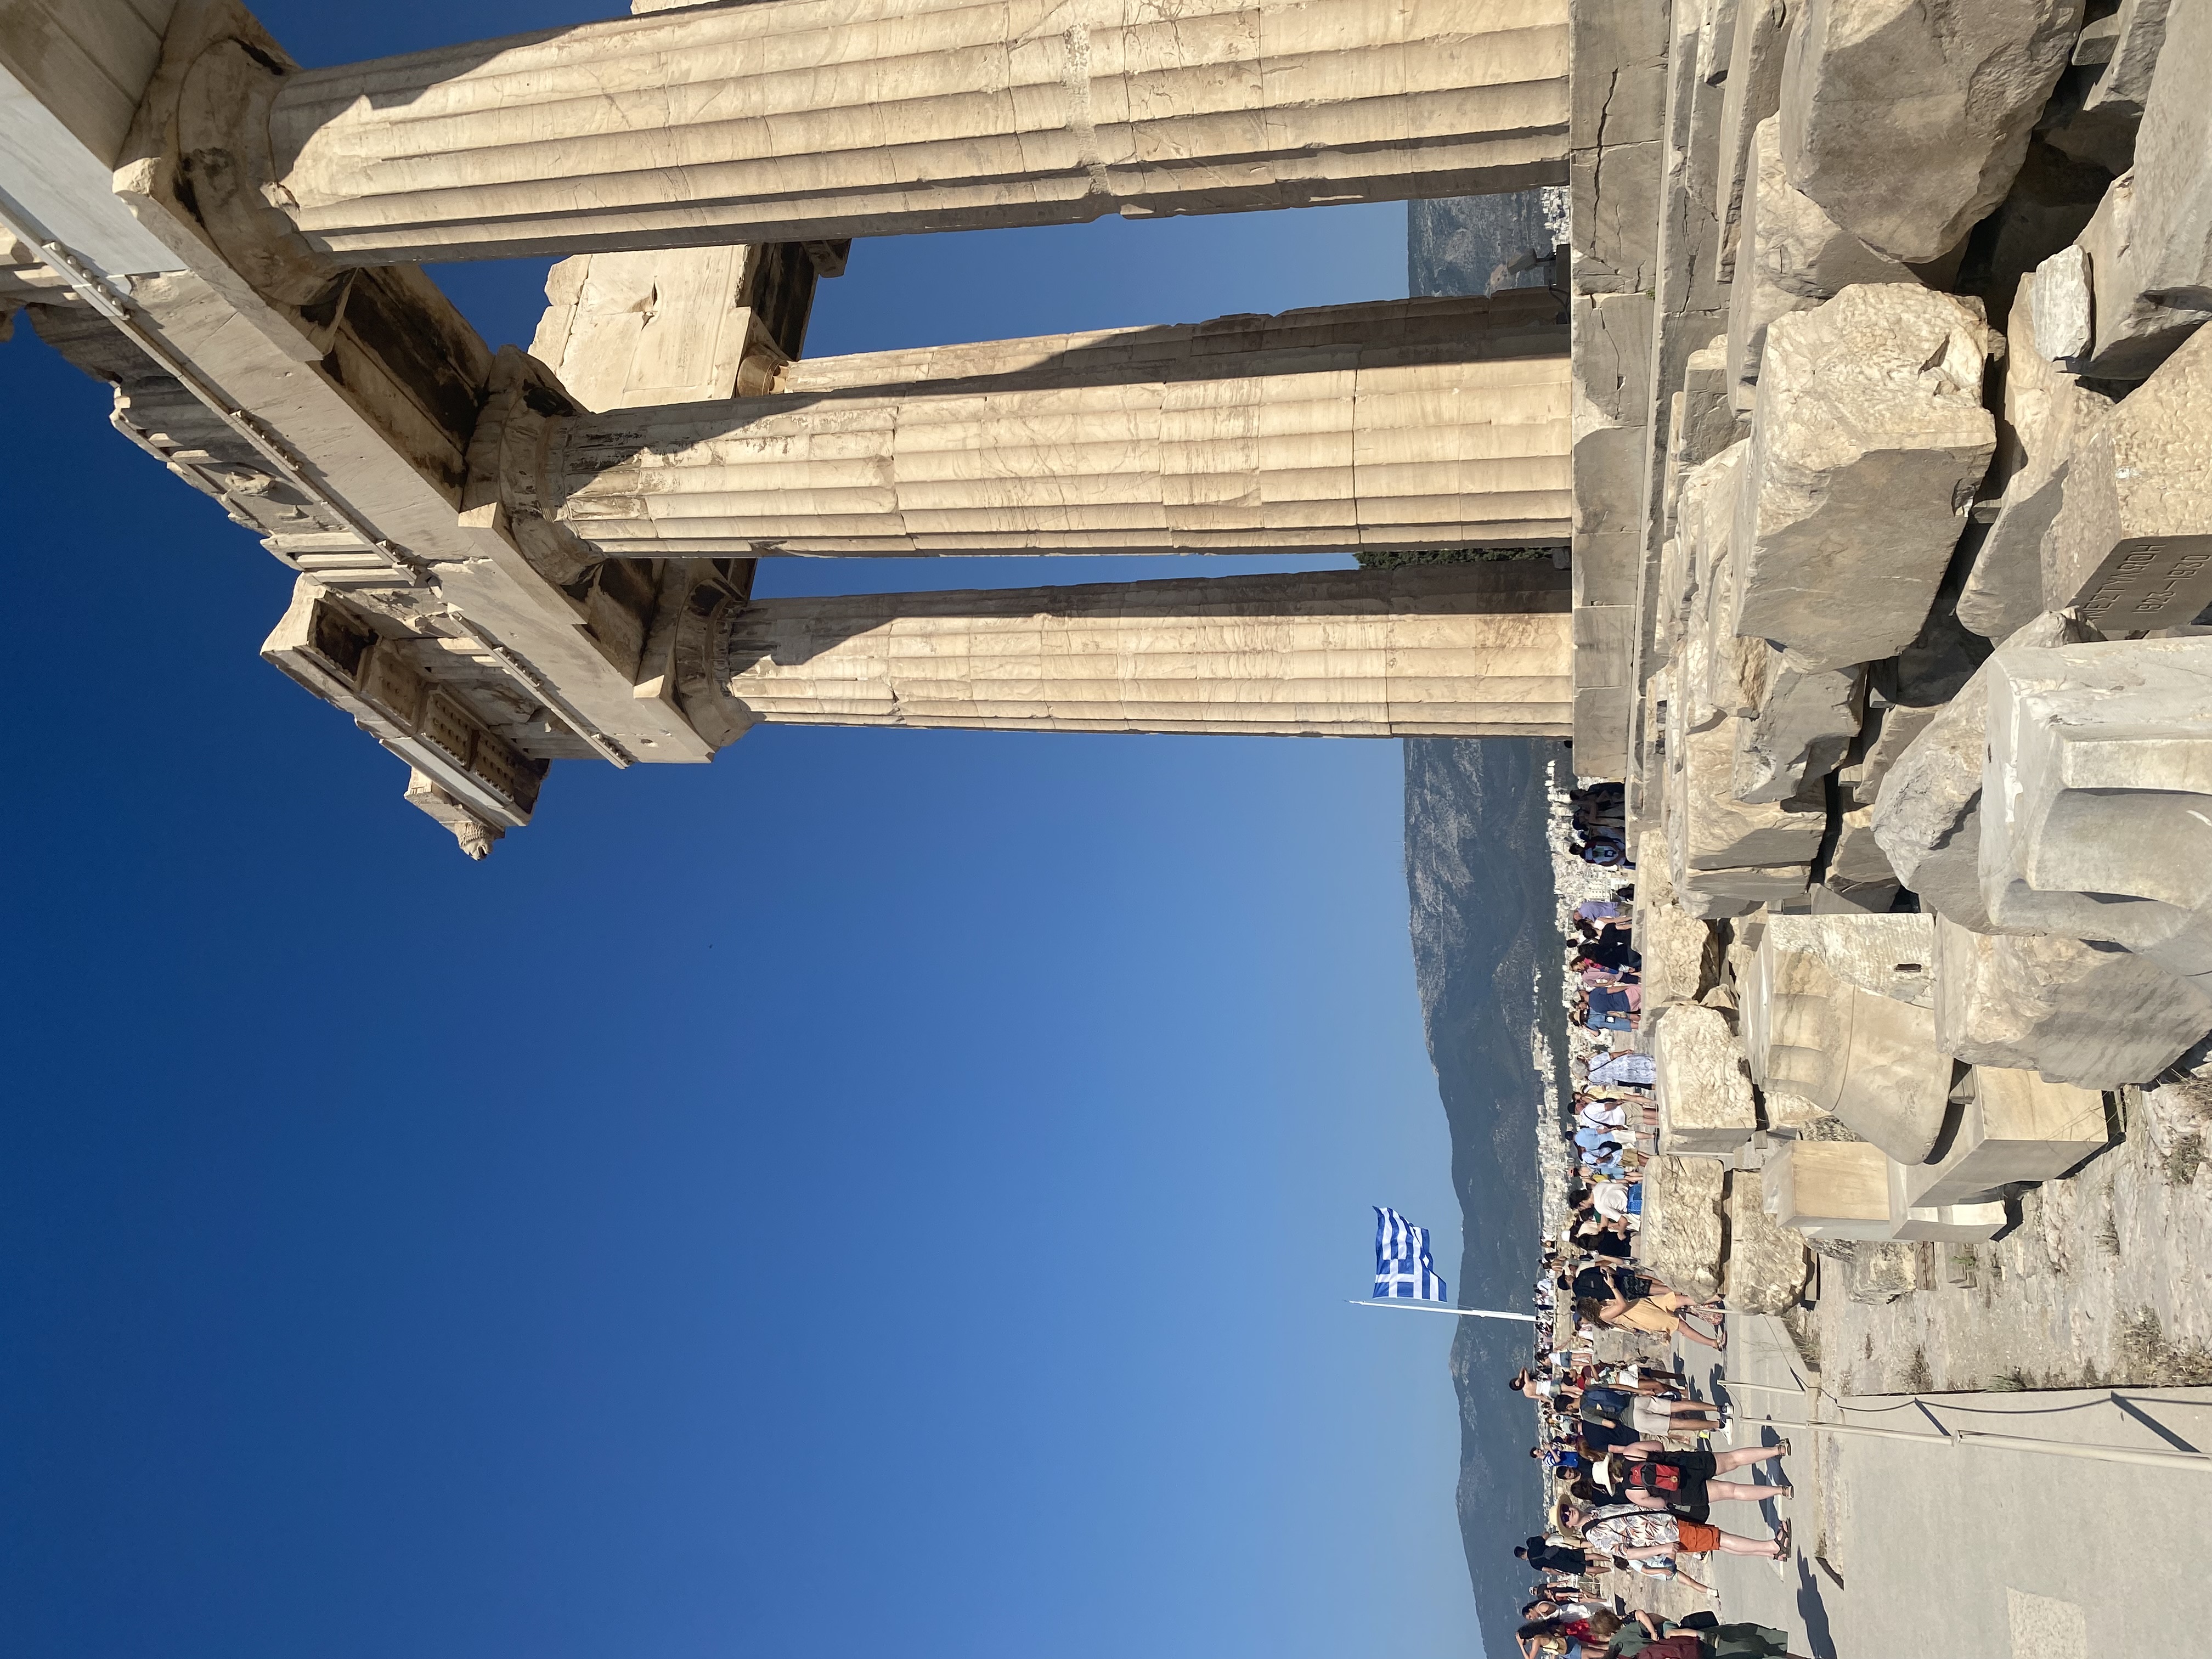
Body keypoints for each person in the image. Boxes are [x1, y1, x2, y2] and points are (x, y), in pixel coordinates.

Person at [1567, 1500, 1790, 1574]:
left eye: (1566, 1508)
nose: (1569, 1512)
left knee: (1715, 1541)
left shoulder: (1595, 1511)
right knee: (1719, 1538)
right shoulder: (1595, 1535)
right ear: (1569, 1525)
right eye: (1565, 1516)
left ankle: (1770, 1552)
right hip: (1667, 1534)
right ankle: (1774, 1545)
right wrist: (1663, 1548)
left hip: (1667, 1522)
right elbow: (1628, 1552)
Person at [1590, 1284, 1725, 1351]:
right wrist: (1612, 1286)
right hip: (1644, 1316)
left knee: (1680, 1300)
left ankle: (1716, 1297)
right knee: (1680, 1326)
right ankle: (1714, 1343)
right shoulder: (1603, 1315)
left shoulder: (1603, 1304)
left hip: (1644, 1305)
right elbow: (1622, 1305)